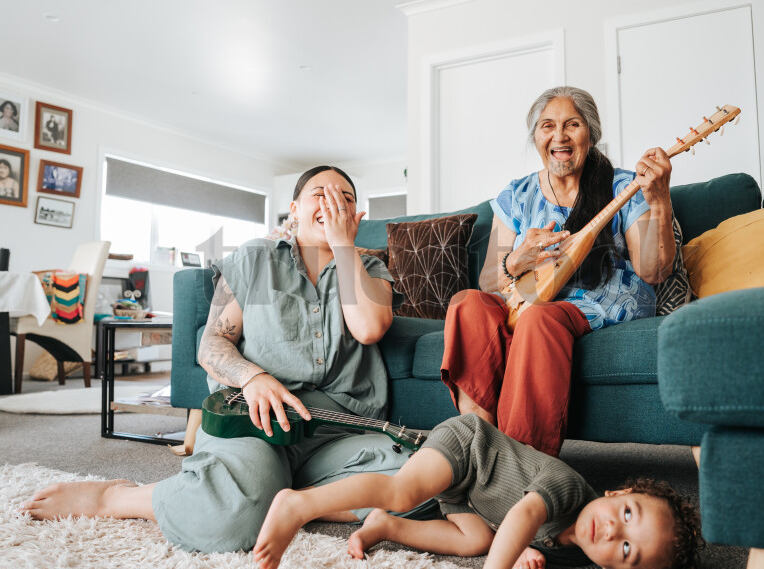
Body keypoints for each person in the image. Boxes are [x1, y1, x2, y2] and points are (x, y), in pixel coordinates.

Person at [19, 166, 435, 552]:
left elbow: (368, 328)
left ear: (355, 215)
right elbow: (213, 343)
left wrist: (344, 245)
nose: (331, 203)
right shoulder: (256, 260)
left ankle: (291, 498)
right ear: (294, 210)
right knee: (232, 521)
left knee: (430, 481)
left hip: (339, 431)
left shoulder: (370, 267)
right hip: (257, 419)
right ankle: (118, 496)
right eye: (319, 194)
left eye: (343, 198)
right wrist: (252, 377)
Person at [441, 86, 677, 458]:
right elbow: (490, 280)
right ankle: (479, 446)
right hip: (531, 298)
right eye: (547, 126)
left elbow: (655, 271)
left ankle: (523, 464)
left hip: (597, 305)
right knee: (467, 303)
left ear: (591, 134)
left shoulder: (624, 185)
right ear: (536, 137)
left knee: (538, 319)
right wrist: (516, 260)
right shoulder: (518, 195)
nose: (559, 136)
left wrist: (660, 198)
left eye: (572, 124)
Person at [253, 414, 701, 569]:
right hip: (470, 448)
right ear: (617, 492)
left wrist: (523, 552)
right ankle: (298, 502)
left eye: (626, 551)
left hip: (469, 500)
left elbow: (521, 535)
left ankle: (385, 528)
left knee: (477, 542)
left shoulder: (579, 552)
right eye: (626, 516)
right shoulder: (570, 490)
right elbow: (525, 517)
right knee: (403, 490)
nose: (610, 534)